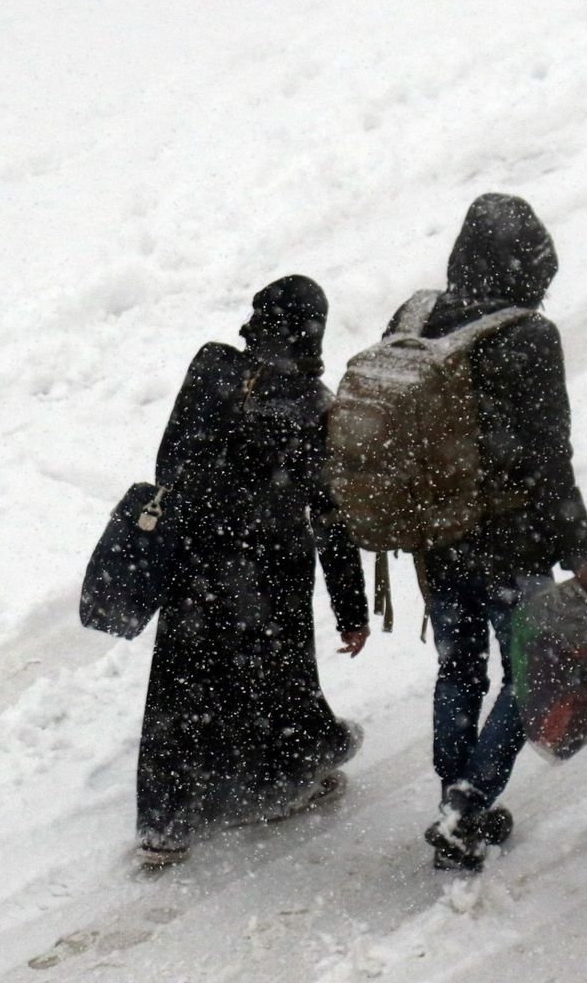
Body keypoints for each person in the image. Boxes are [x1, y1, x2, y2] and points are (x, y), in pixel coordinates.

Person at [386, 194, 587, 872]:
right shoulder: (529, 337)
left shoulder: (416, 317)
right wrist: (579, 552)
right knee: (528, 675)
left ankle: (455, 796)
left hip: (434, 534)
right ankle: (468, 804)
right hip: (509, 542)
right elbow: (549, 455)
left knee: (457, 667)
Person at [135, 275, 369, 867]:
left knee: (182, 690)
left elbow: (169, 461)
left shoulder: (211, 368)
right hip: (271, 579)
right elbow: (331, 517)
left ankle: (165, 827)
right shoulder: (313, 406)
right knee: (278, 686)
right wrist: (351, 610)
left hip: (195, 562)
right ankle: (288, 781)